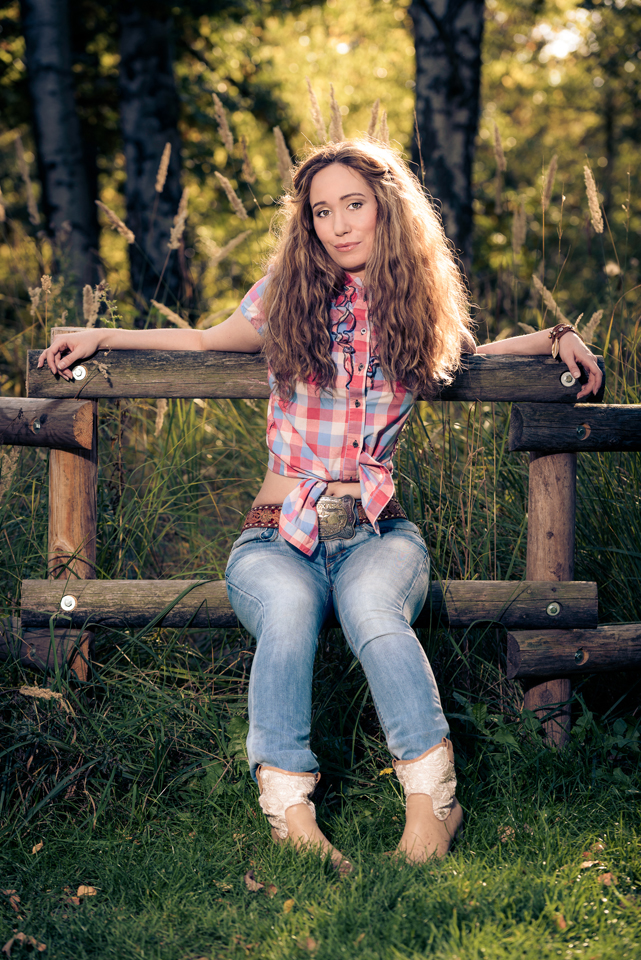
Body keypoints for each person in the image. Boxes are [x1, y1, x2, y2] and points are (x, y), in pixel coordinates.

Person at [39, 139, 602, 871]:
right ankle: (290, 813)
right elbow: (206, 339)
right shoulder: (287, 295)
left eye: (353, 206)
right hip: (274, 537)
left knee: (373, 608)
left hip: (378, 535)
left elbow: (476, 357)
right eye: (321, 212)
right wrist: (102, 333)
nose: (337, 225)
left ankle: (433, 803)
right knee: (288, 609)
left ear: (387, 209)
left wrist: (559, 337)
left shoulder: (418, 306)